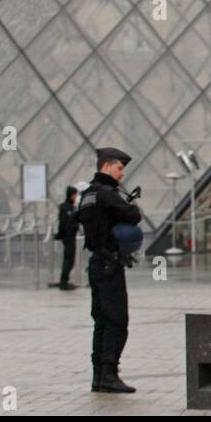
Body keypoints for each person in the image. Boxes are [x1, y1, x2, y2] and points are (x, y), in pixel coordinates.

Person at [76, 147, 142, 394]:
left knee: (101, 321)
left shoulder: (87, 195)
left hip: (95, 263)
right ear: (106, 167)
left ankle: (98, 376)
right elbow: (133, 215)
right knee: (117, 320)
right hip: (110, 264)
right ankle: (110, 375)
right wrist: (130, 207)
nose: (122, 174)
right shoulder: (107, 194)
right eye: (119, 168)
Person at [53, 185, 80, 290]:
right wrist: (61, 234)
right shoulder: (66, 207)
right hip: (68, 236)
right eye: (74, 194)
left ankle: (64, 280)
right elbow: (63, 222)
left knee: (68, 259)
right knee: (69, 259)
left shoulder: (72, 207)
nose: (75, 196)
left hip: (69, 235)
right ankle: (63, 281)